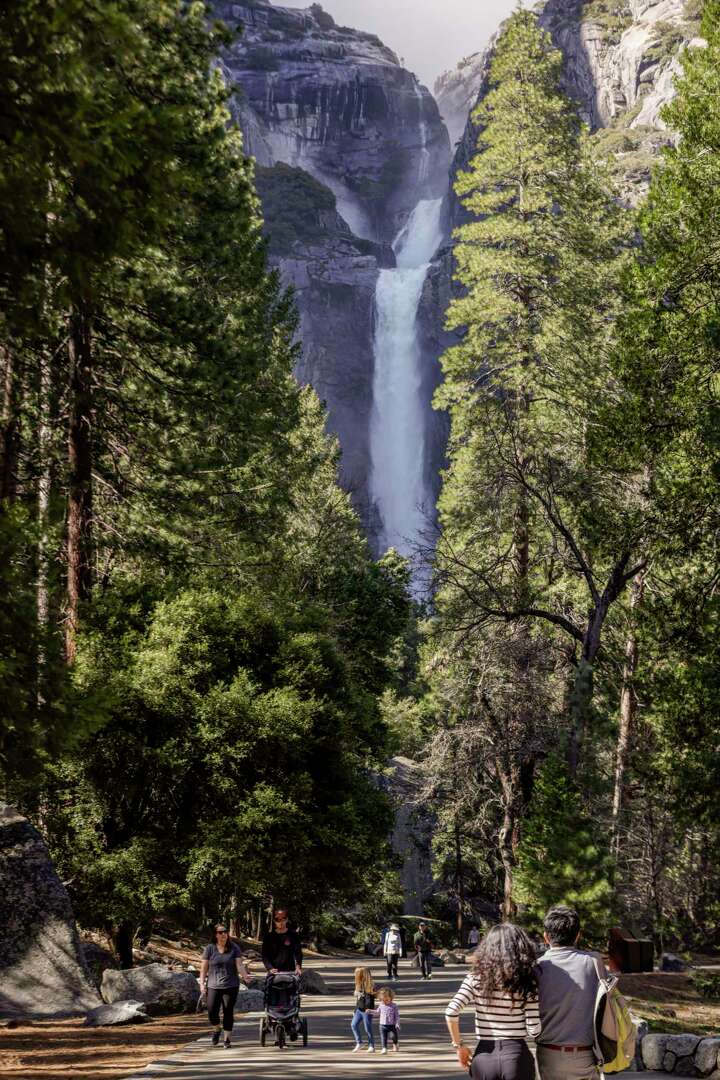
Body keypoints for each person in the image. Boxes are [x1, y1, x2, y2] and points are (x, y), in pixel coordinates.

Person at [445, 923, 541, 1080]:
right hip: (516, 1057)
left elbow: (450, 1012)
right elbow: (533, 1029)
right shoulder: (527, 981)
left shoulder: (475, 978)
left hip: (484, 1057)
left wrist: (459, 1046)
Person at [536, 906, 608, 1080]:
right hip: (585, 1054)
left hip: (548, 1054)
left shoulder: (537, 966)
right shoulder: (593, 963)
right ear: (578, 936)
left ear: (546, 937)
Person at [200, 924, 251, 1049]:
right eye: (220, 932)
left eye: (225, 932)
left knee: (228, 1011)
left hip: (231, 985)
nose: (223, 934)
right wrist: (202, 984)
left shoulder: (234, 948)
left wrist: (245, 976)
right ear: (216, 934)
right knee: (212, 1012)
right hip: (213, 985)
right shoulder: (210, 949)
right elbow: (204, 968)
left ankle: (227, 1039)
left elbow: (239, 965)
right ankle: (217, 1029)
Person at [262, 909, 303, 975]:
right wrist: (269, 968)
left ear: (286, 919)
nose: (281, 922)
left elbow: (298, 953)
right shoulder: (268, 936)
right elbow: (264, 955)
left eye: (283, 919)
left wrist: (298, 967)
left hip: (290, 972)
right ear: (274, 921)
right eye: (278, 920)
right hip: (274, 972)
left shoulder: (293, 935)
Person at [351, 966, 376, 1053]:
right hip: (359, 1009)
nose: (355, 976)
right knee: (353, 1025)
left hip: (367, 1010)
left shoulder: (369, 986)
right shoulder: (358, 985)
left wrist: (368, 1009)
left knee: (367, 1028)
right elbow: (358, 1000)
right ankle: (359, 1042)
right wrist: (355, 1010)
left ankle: (371, 1045)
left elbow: (370, 1001)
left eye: (357, 975)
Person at [369, 985, 401, 1054]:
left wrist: (397, 1023)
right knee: (383, 1037)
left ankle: (395, 1044)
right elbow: (377, 1012)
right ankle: (384, 1048)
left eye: (386, 1000)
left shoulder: (394, 1005)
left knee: (393, 1036)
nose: (385, 1001)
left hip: (392, 1025)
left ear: (391, 998)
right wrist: (370, 1011)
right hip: (382, 1025)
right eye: (382, 1000)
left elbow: (397, 1016)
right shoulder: (381, 1005)